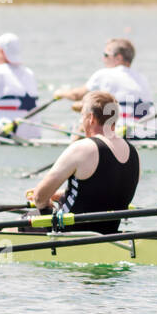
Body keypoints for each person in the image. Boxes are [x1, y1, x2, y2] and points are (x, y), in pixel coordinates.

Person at [28, 91, 139, 234]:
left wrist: (46, 202)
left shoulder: (82, 148)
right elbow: (106, 192)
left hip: (69, 232)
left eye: (81, 116)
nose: (81, 122)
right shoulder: (133, 152)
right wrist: (58, 195)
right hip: (109, 232)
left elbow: (39, 197)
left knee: (15, 225)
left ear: (91, 118)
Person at [55, 38, 156, 139]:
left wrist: (61, 93)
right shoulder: (142, 78)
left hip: (123, 134)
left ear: (118, 58)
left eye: (106, 55)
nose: (103, 59)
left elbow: (76, 95)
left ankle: (75, 149)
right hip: (150, 134)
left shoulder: (104, 74)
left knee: (87, 119)